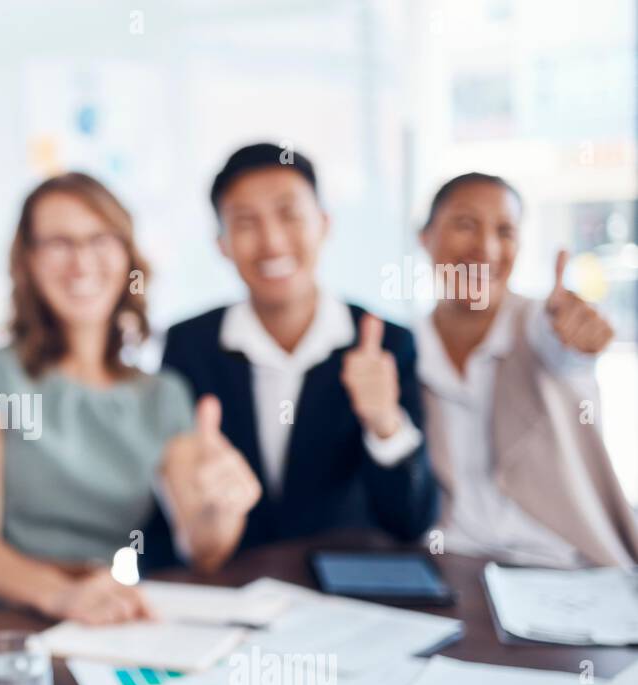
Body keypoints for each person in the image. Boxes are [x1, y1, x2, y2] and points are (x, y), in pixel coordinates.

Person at [147, 143, 438, 572]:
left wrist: (385, 424)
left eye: (289, 215)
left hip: (347, 590)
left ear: (323, 224)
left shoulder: (386, 343)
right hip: (231, 585)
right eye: (246, 222)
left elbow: (410, 522)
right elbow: (174, 517)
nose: (272, 241)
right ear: (222, 244)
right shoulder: (189, 344)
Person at [0, 172, 216, 623]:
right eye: (58, 243)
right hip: (4, 621)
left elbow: (202, 546)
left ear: (127, 254)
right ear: (27, 261)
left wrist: (222, 509)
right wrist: (62, 597)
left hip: (109, 618)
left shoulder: (163, 395)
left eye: (100, 239)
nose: (81, 262)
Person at [415, 172, 637, 567]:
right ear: (425, 237)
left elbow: (565, 352)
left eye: (505, 231)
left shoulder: (541, 324)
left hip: (558, 565)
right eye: (466, 224)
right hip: (451, 563)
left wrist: (576, 336)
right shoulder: (408, 346)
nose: (485, 248)